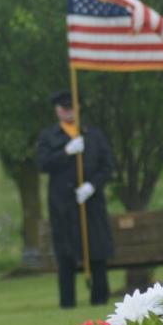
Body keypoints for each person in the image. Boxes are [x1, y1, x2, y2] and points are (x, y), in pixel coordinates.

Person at [35, 91, 115, 308]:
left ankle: (100, 298)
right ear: (57, 110)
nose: (69, 112)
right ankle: (67, 302)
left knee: (96, 249)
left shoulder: (94, 135)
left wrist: (92, 186)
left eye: (72, 108)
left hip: (91, 201)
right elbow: (42, 163)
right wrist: (65, 152)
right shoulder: (49, 136)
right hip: (63, 204)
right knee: (66, 254)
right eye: (64, 108)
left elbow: (107, 165)